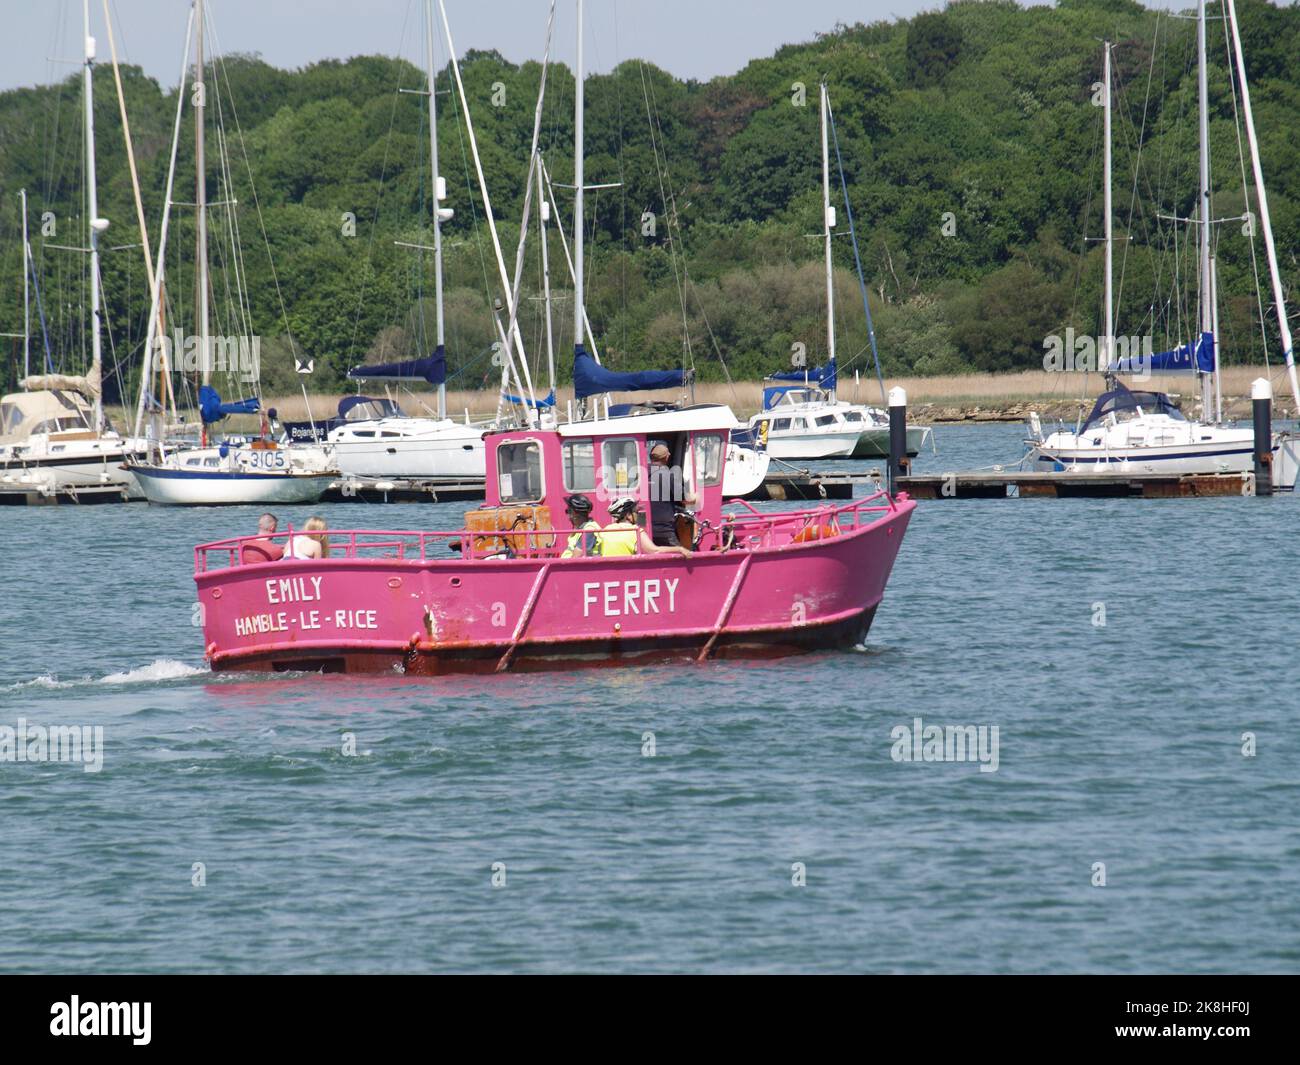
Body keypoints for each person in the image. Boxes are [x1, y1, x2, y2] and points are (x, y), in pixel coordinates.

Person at [600, 497, 690, 558]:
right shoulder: (635, 531)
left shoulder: (606, 530)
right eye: (635, 511)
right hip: (627, 574)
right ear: (628, 515)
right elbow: (654, 551)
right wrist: (680, 549)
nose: (638, 514)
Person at [647, 442, 697, 546]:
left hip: (646, 530)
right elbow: (686, 499)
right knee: (679, 557)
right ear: (666, 457)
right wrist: (697, 497)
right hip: (664, 529)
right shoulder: (666, 475)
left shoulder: (642, 475)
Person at [560, 494, 601, 558]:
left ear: (574, 514)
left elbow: (576, 558)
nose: (568, 517)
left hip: (579, 567)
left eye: (568, 511)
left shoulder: (589, 530)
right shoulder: (581, 530)